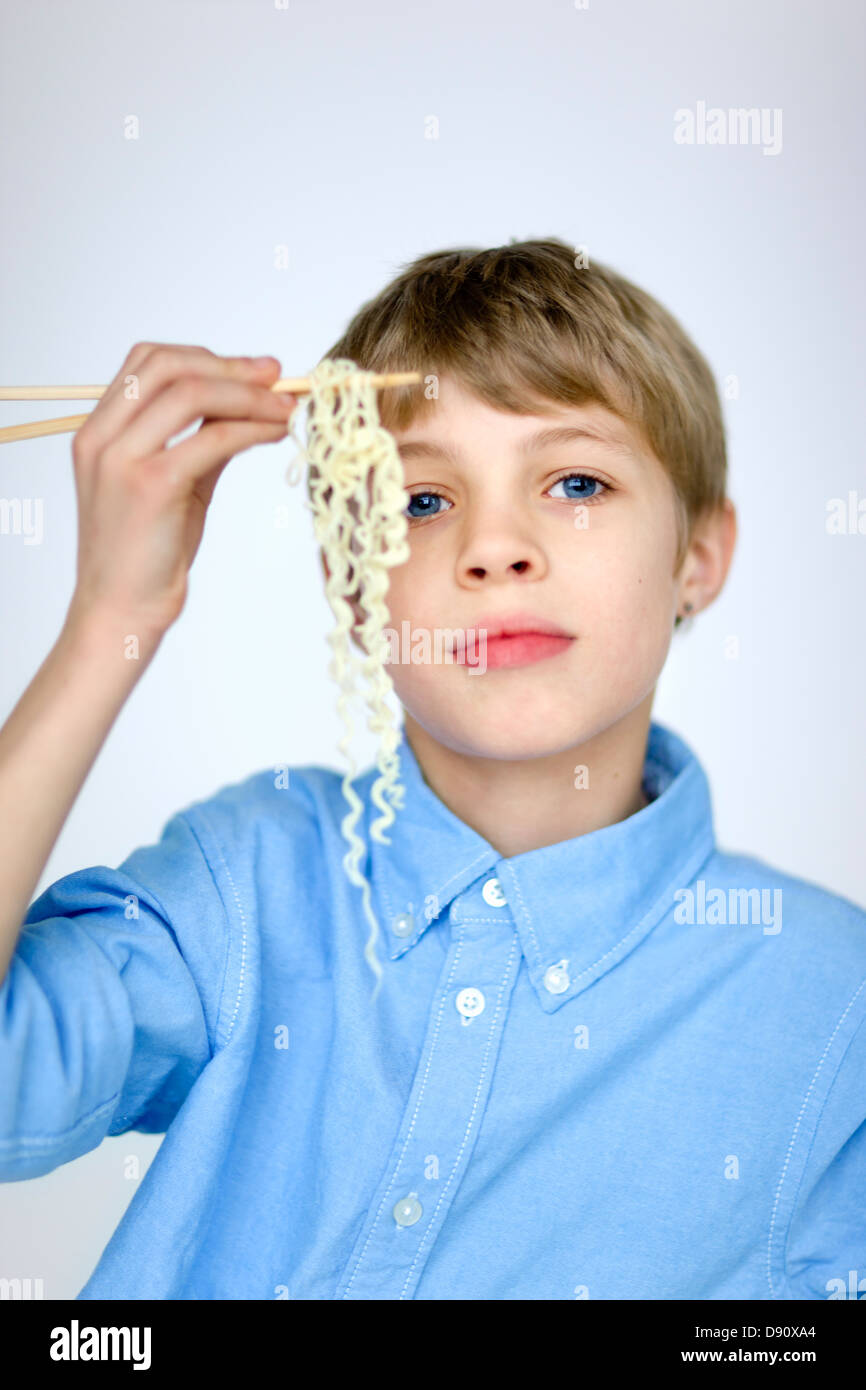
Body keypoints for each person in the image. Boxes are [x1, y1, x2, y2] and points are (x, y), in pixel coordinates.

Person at [1, 239, 864, 1300]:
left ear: (697, 554)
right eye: (419, 502)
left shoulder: (835, 1004)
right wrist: (109, 621)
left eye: (575, 481)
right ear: (351, 585)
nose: (492, 547)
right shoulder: (242, 880)